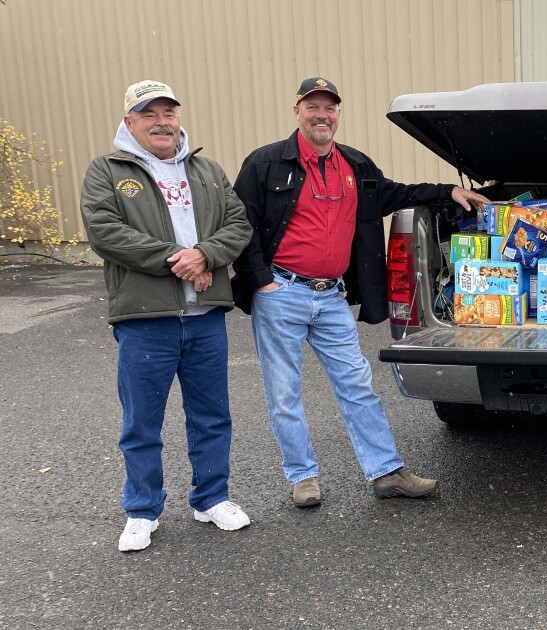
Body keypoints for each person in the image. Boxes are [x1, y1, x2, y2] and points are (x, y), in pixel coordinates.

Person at [232, 77, 490, 507]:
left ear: (338, 113)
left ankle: (386, 472)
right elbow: (241, 225)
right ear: (297, 112)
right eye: (312, 107)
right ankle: (303, 477)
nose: (322, 116)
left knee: (358, 385)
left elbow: (393, 194)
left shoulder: (354, 164)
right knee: (284, 393)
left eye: (329, 108)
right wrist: (262, 281)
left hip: (331, 297)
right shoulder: (266, 163)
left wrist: (447, 191)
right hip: (282, 292)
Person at [80, 80, 253, 551]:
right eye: (149, 114)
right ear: (129, 121)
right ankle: (142, 509)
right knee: (142, 422)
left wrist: (206, 254)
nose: (162, 122)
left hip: (205, 318)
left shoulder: (206, 170)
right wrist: (180, 258)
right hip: (145, 319)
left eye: (168, 112)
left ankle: (211, 498)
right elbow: (104, 230)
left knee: (212, 416)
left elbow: (238, 223)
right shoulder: (108, 170)